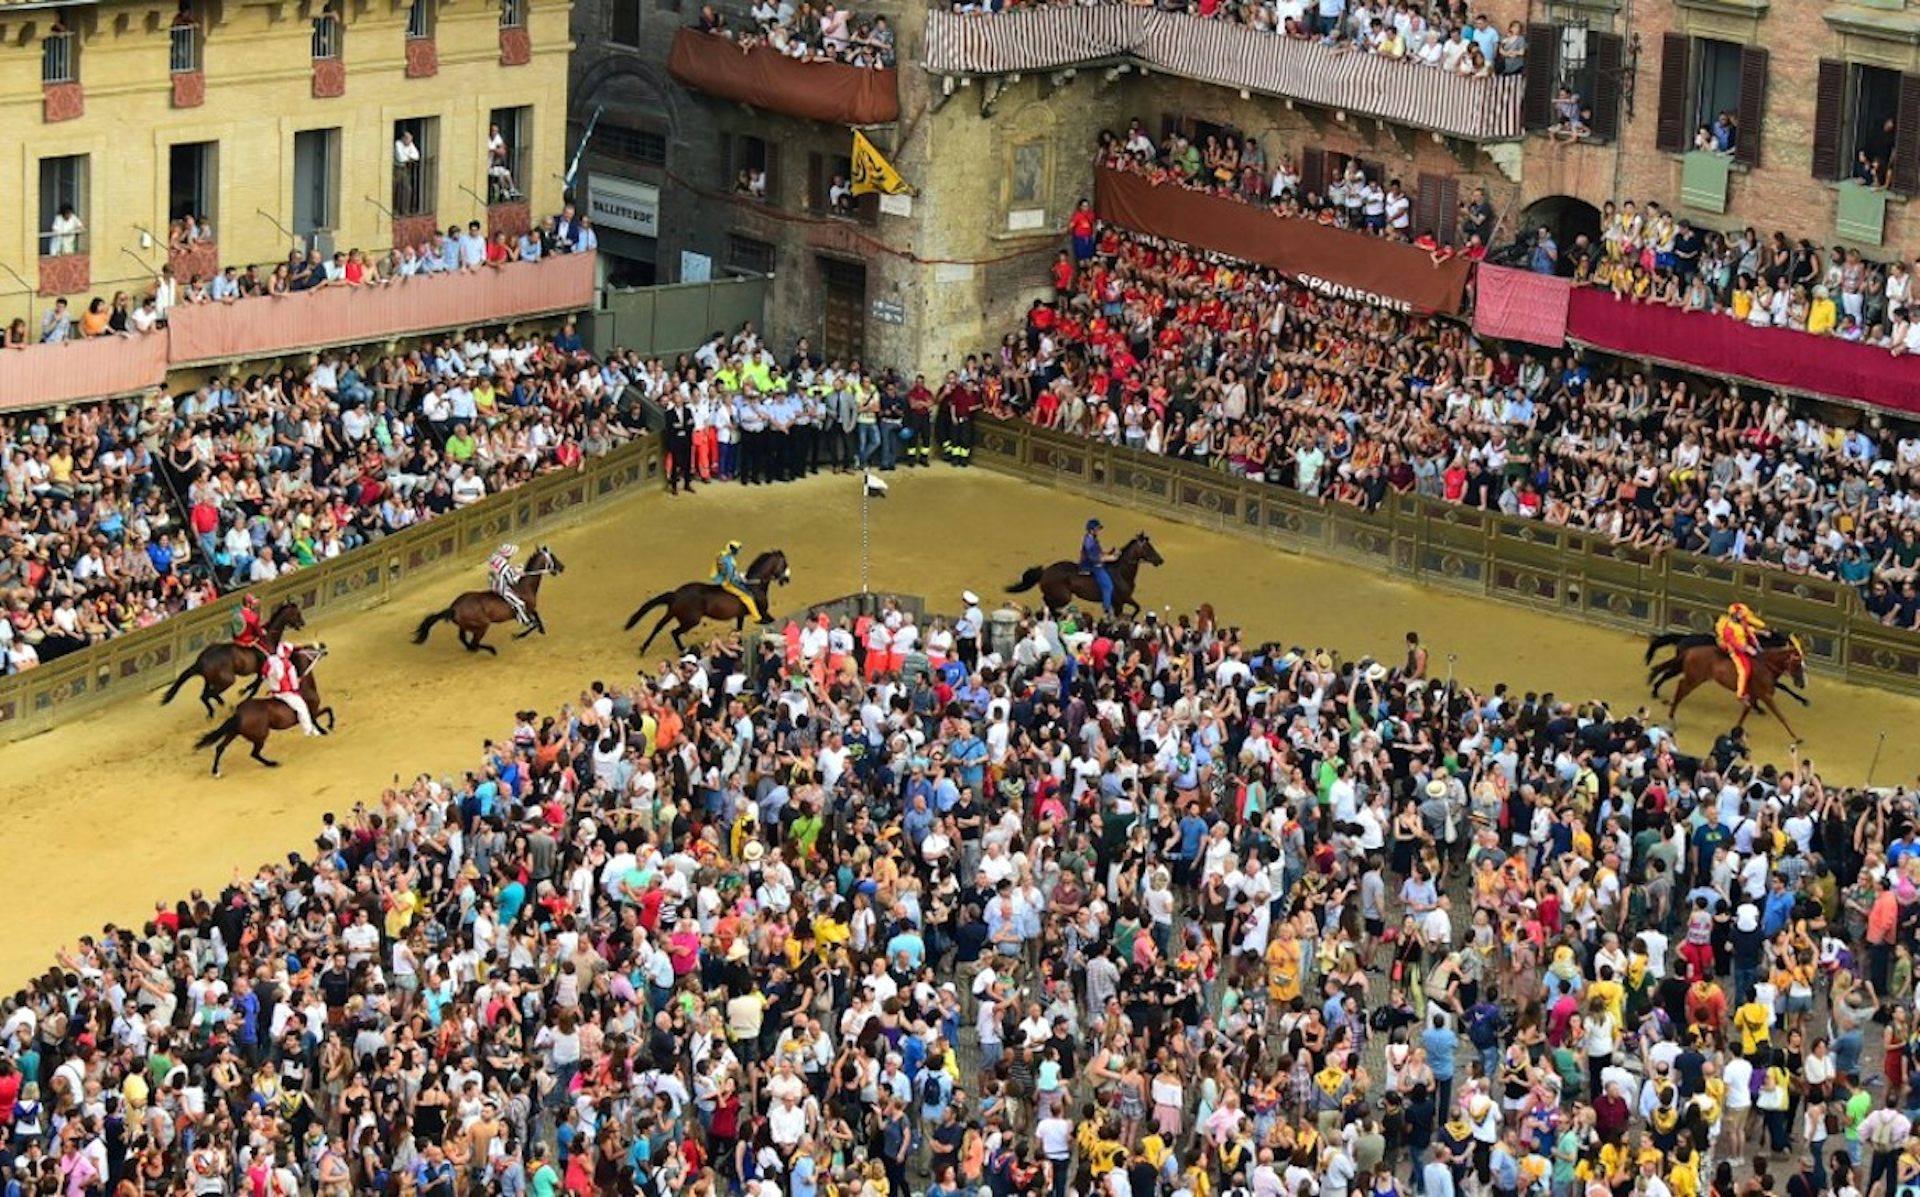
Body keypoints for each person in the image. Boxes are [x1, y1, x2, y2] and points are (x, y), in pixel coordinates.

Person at [261, 641, 319, 736]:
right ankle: (308, 730)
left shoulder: (270, 660)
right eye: (289, 652)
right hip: (286, 693)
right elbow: (292, 682)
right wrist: (297, 683)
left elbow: (264, 675)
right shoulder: (288, 665)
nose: (289, 654)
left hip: (275, 691)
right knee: (302, 708)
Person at [1714, 601, 1768, 701]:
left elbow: (1748, 629)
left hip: (1746, 647)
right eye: (1739, 614)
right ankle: (1741, 693)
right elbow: (1733, 643)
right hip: (1736, 652)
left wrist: (1762, 632)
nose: (1742, 615)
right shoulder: (1728, 628)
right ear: (1734, 615)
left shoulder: (1741, 623)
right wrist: (1746, 648)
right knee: (1744, 671)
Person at [712, 539, 765, 623]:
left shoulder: (722, 555)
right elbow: (731, 577)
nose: (737, 552)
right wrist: (741, 579)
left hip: (722, 578)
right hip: (728, 583)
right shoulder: (728, 562)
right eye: (736, 550)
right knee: (747, 596)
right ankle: (757, 618)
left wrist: (738, 574)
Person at [489, 542, 533, 626]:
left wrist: (513, 570)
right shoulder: (505, 567)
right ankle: (525, 621)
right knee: (520, 603)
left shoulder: (495, 558)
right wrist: (519, 574)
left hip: (493, 583)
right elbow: (512, 581)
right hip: (501, 589)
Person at [1080, 517, 1115, 616]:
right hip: (1092, 566)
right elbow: (1094, 557)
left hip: (1095, 562)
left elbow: (1099, 553)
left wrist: (1108, 553)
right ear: (1092, 530)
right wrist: (1109, 558)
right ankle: (1107, 608)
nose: (1098, 531)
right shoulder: (1089, 541)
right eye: (1097, 529)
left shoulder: (1093, 539)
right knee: (1108, 586)